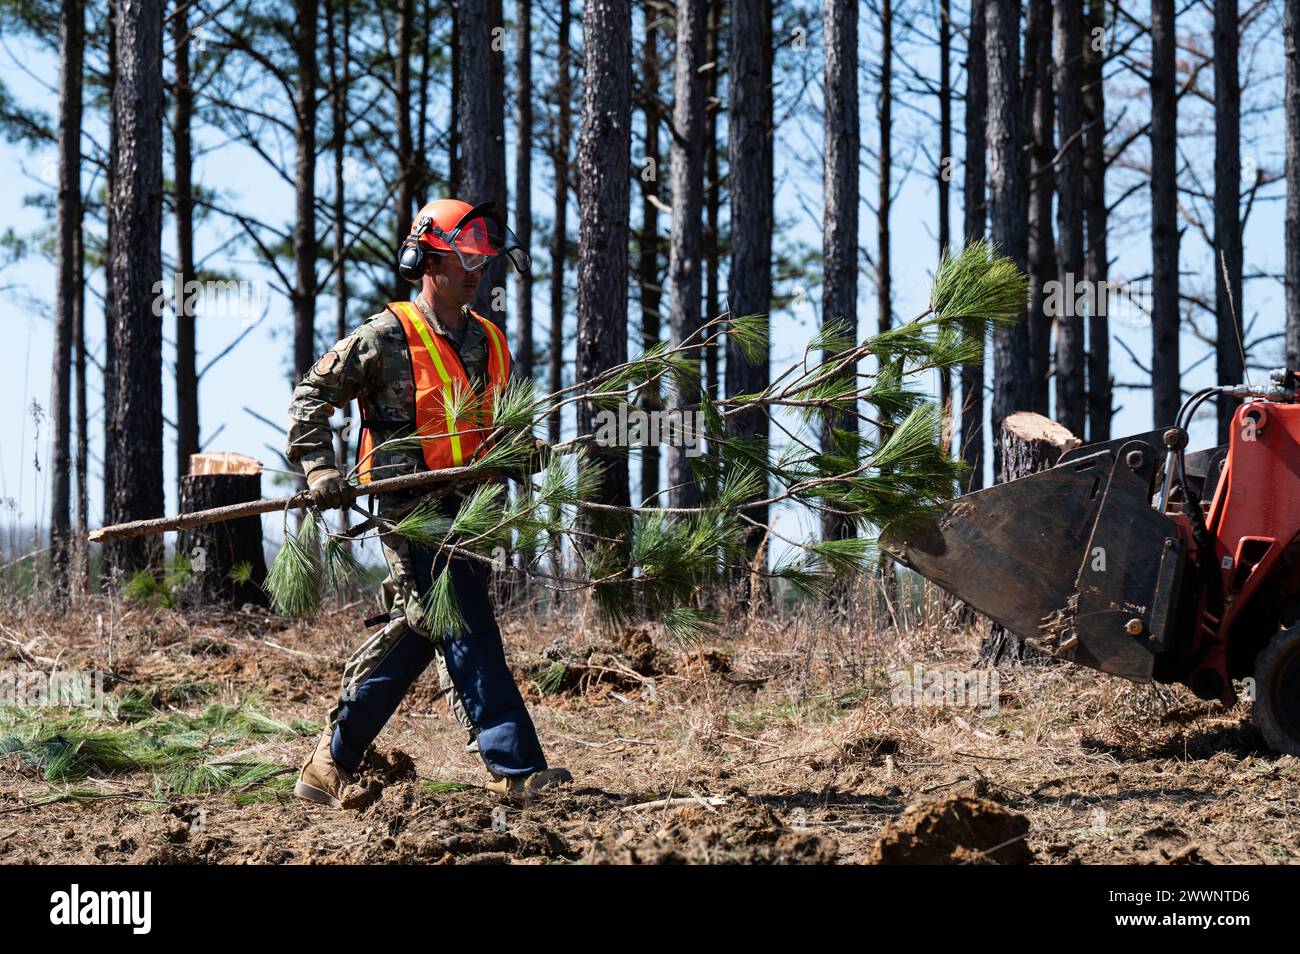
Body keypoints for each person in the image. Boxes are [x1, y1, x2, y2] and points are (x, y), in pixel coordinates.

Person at [286, 198, 571, 806]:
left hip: (473, 511)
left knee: (423, 627)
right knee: (464, 618)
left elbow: (500, 421)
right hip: (409, 511)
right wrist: (320, 470)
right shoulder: (384, 336)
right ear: (424, 257)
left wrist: (523, 450)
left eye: (483, 260)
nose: (476, 271)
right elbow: (310, 397)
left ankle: (328, 764)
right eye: (464, 258)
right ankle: (516, 766)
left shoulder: (491, 339)